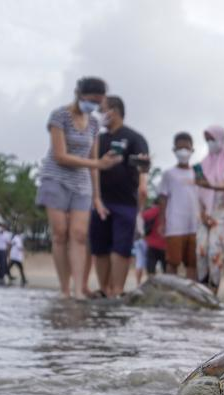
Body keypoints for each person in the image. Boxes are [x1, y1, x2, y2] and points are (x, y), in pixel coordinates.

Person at [36, 76, 120, 298]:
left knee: (80, 235)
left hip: (81, 183)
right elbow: (61, 156)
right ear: (79, 94)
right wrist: (97, 163)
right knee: (60, 234)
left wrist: (97, 197)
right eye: (91, 100)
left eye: (98, 102)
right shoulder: (59, 116)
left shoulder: (93, 123)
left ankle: (78, 289)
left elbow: (93, 163)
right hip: (55, 178)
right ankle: (65, 289)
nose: (93, 106)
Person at [89, 96, 149, 298]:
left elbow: (143, 166)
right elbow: (92, 166)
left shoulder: (134, 137)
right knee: (100, 247)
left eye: (102, 109)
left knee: (121, 247)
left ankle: (117, 290)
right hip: (100, 201)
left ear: (114, 110)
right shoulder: (99, 138)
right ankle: (103, 289)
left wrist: (143, 184)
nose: (99, 113)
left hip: (125, 201)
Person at [195, 125, 224, 292]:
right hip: (206, 212)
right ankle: (201, 288)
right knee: (201, 250)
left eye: (212, 138)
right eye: (207, 139)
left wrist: (210, 185)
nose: (209, 142)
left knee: (215, 251)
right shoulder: (204, 162)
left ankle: (213, 289)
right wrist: (201, 213)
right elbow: (199, 191)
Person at [158, 132, 208, 281]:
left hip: (194, 224)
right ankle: (169, 290)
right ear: (174, 150)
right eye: (180, 148)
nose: (183, 152)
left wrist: (204, 215)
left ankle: (190, 293)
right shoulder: (169, 174)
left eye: (186, 148)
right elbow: (163, 198)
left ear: (192, 150)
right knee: (172, 261)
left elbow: (203, 197)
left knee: (192, 262)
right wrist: (162, 222)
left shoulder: (197, 173)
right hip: (175, 224)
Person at [141, 197, 166, 277]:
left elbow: (141, 221)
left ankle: (152, 286)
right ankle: (166, 287)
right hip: (165, 246)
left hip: (151, 245)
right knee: (166, 270)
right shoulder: (168, 213)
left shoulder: (149, 212)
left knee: (151, 269)